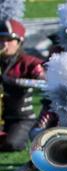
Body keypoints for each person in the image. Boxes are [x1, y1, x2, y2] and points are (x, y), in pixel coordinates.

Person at [1, 7, 46, 152]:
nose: (4, 44)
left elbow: (44, 81)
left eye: (9, 40)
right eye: (1, 40)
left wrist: (15, 82)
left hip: (21, 118)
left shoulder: (28, 61)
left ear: (20, 42)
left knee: (11, 145)